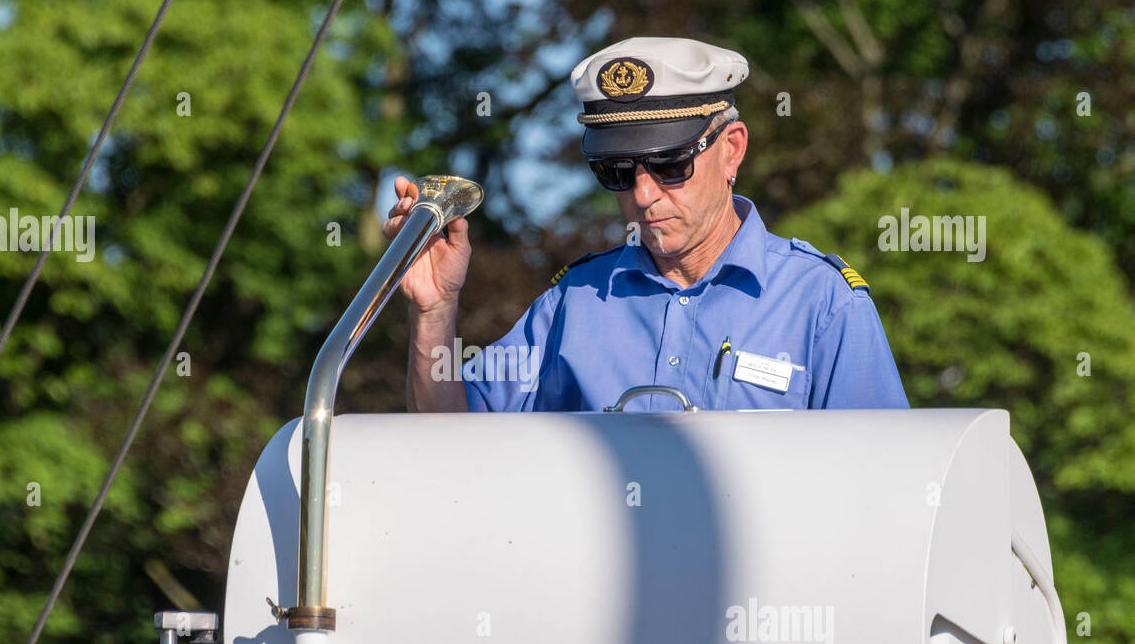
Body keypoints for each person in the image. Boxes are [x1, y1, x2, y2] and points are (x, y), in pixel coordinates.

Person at [386, 37, 909, 413]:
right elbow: (449, 441)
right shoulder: (574, 300)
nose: (642, 193)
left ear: (731, 150)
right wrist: (435, 311)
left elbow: (885, 481)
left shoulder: (823, 302)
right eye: (616, 171)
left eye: (670, 164)